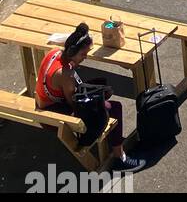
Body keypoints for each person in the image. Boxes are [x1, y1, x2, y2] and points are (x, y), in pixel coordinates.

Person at [36, 22, 144, 171]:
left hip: (43, 103)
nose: (85, 57)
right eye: (83, 54)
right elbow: (75, 105)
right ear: (73, 51)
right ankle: (120, 158)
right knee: (114, 107)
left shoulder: (54, 52)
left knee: (99, 93)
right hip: (52, 114)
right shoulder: (65, 74)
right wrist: (99, 101)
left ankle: (115, 148)